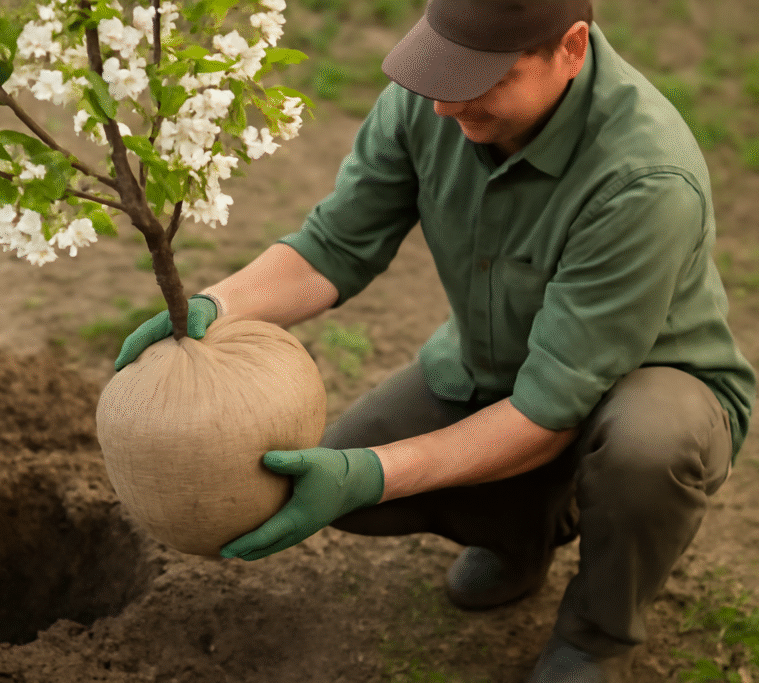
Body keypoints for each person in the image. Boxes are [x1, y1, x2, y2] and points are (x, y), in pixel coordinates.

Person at [114, 0, 757, 680]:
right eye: (442, 69)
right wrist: (214, 306)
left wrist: (372, 473)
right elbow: (334, 247)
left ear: (571, 48)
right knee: (340, 473)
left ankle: (596, 634)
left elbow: (547, 411)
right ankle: (524, 533)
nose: (447, 106)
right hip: (501, 364)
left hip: (654, 387)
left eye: (481, 78)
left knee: (645, 449)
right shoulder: (434, 98)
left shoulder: (644, 179)